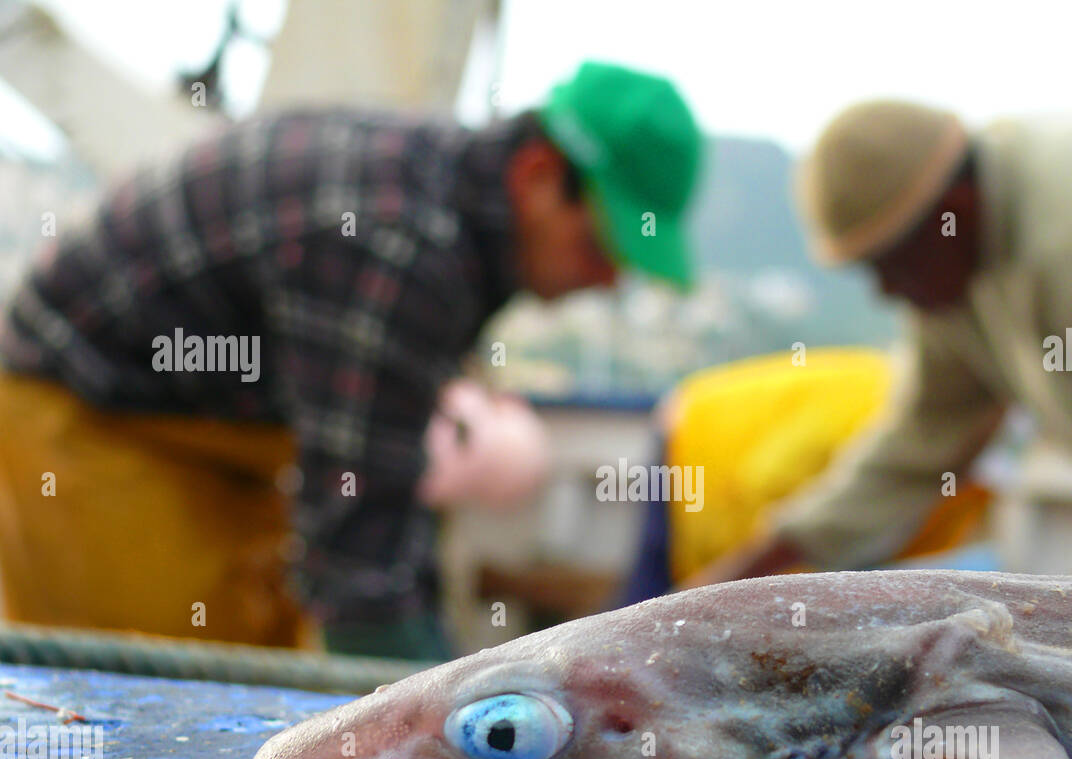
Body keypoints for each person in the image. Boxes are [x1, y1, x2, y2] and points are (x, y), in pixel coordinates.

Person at [0, 61, 702, 659]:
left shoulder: (446, 210)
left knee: (255, 644)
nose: (612, 278)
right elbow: (357, 555)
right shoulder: (399, 245)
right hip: (81, 408)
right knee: (156, 689)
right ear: (540, 175)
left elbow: (371, 492)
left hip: (217, 423)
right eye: (604, 246)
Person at [693, 101, 1072, 586]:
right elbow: (919, 444)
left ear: (950, 210)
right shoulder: (954, 270)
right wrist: (758, 564)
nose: (883, 292)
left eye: (888, 264)